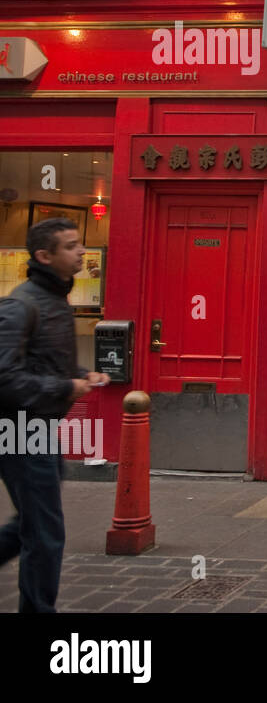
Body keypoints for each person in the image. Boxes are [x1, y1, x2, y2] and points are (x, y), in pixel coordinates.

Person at [0, 218, 104, 612]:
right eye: (71, 246)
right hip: (20, 428)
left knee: (32, 522)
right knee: (44, 532)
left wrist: (81, 375)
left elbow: (43, 361)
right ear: (45, 256)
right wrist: (64, 388)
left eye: (80, 244)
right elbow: (5, 377)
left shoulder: (54, 298)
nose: (81, 252)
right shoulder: (21, 305)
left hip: (38, 427)